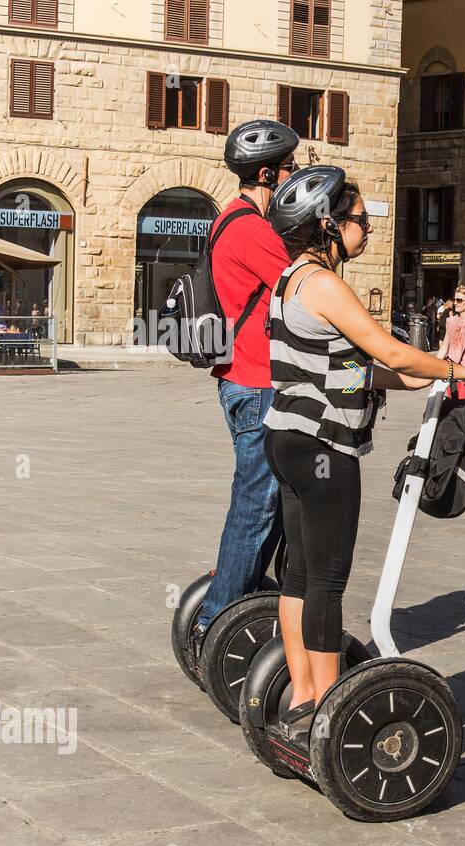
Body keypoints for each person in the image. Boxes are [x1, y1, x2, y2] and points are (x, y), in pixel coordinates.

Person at [263, 166, 465, 738]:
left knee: (297, 574)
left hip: (285, 439)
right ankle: (323, 707)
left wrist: (415, 381)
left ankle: (301, 694)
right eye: (360, 220)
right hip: (323, 448)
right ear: (328, 224)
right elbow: (387, 347)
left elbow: (345, 371)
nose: (367, 229)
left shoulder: (289, 279)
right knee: (327, 582)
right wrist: (460, 368)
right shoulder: (324, 283)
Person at [192, 119, 300, 659]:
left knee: (264, 501)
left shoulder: (225, 219)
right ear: (266, 174)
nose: (295, 177)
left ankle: (240, 607)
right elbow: (302, 291)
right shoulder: (254, 230)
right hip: (257, 382)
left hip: (243, 379)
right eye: (289, 170)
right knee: (256, 504)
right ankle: (215, 627)